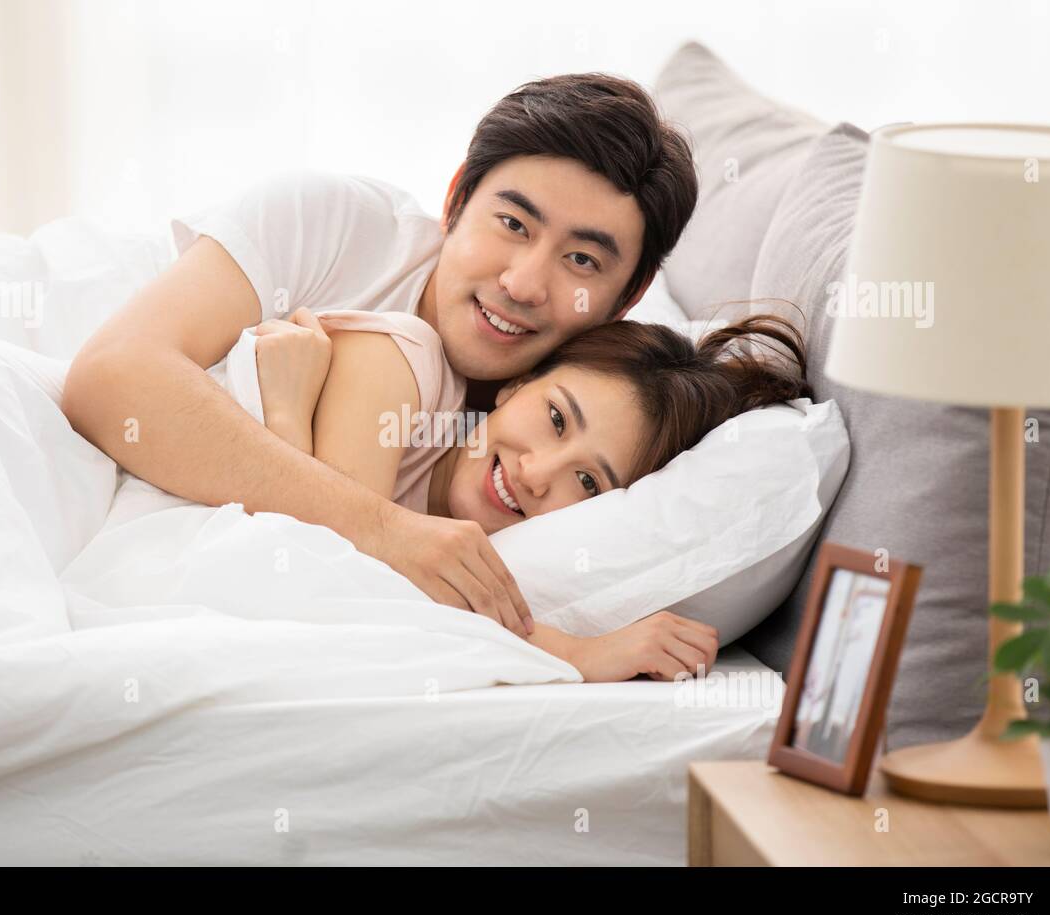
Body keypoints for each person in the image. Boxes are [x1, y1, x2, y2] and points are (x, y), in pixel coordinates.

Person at [62, 73, 699, 641]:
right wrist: (382, 529)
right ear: (455, 200)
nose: (524, 284)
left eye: (581, 261)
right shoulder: (334, 227)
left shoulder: (590, 410)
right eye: (513, 225)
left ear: (628, 298)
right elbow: (110, 376)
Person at [246, 304, 812, 682]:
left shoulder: (490, 552)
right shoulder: (402, 366)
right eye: (556, 418)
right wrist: (575, 654)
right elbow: (328, 567)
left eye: (589, 482)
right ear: (517, 383)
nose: (538, 473)